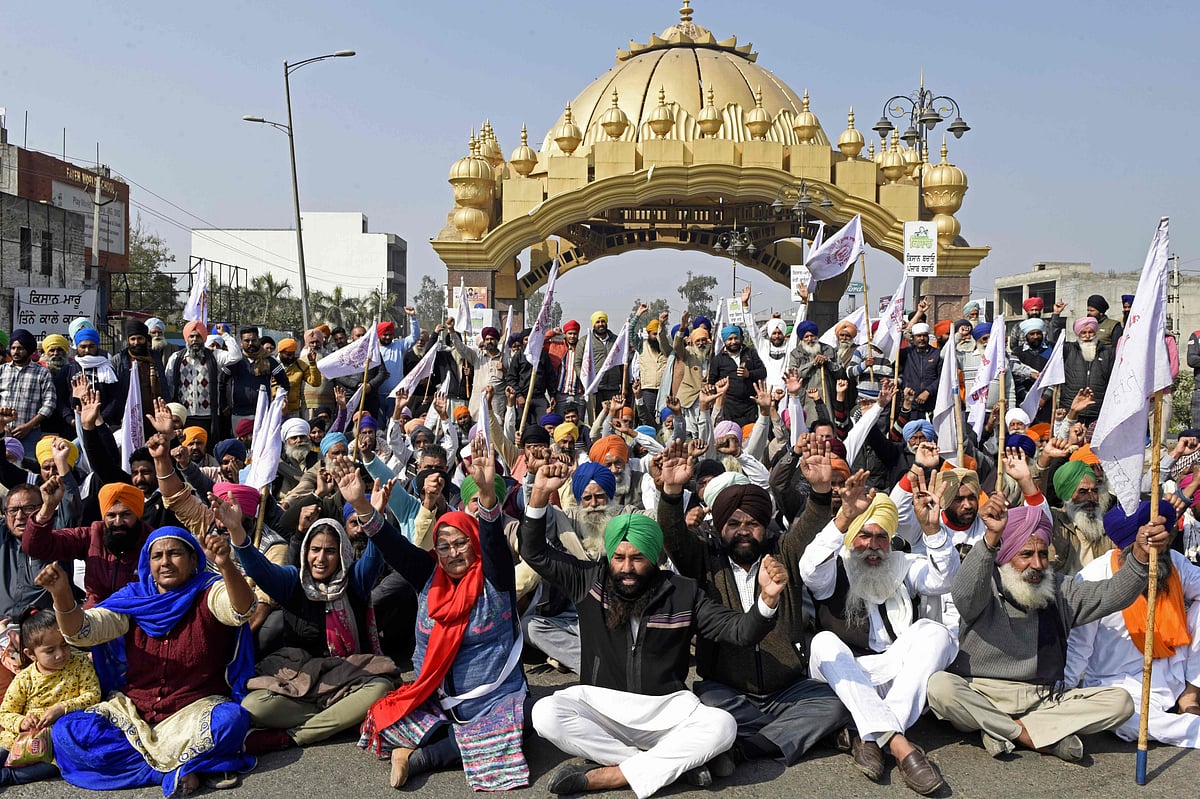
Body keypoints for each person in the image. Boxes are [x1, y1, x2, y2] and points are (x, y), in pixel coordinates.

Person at [521, 461, 785, 798]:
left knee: (722, 726)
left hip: (664, 710)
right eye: (619, 558)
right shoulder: (589, 581)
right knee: (546, 714)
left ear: (655, 558)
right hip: (603, 706)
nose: (626, 569)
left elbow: (739, 631)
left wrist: (765, 601)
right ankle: (670, 766)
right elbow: (534, 551)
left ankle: (612, 775)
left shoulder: (683, 592)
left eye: (637, 559)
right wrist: (540, 497)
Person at [926, 496, 1165, 761]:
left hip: (1042, 700)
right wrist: (990, 539)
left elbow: (1111, 595)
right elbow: (964, 595)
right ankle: (1031, 736)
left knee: (1121, 703)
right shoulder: (985, 584)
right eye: (1026, 554)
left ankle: (999, 728)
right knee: (940, 687)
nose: (1038, 565)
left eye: (1042, 554)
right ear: (1005, 555)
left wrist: (1141, 557)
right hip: (981, 693)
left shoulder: (1060, 589)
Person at [657, 439, 850, 767]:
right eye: (733, 524)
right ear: (720, 527)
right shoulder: (705, 559)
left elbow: (808, 527)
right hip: (727, 690)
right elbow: (673, 534)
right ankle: (788, 737)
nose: (743, 531)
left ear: (765, 525)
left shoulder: (784, 552)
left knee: (833, 705)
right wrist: (671, 492)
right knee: (705, 709)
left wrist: (819, 490)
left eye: (753, 524)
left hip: (786, 689)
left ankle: (747, 746)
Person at [359, 436, 528, 791]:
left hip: (493, 699)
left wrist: (486, 499)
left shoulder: (495, 579)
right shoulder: (429, 577)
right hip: (436, 696)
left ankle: (418, 758)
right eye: (444, 546)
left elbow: (495, 544)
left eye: (461, 543)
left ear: (474, 543)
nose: (452, 553)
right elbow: (397, 549)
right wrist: (362, 507)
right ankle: (437, 739)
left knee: (513, 730)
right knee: (384, 718)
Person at [43, 523, 258, 796]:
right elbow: (83, 632)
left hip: (192, 712)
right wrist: (61, 595)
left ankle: (166, 766)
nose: (165, 562)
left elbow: (241, 609)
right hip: (135, 713)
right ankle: (181, 768)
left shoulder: (209, 591)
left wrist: (226, 566)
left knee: (231, 720)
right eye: (157, 556)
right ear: (147, 562)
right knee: (67, 732)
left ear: (194, 560)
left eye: (174, 554)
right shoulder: (134, 599)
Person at [799, 471, 958, 795]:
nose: (872, 545)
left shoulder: (903, 564)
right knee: (823, 642)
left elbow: (945, 580)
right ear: (851, 537)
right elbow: (809, 567)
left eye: (881, 537)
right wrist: (844, 517)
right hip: (845, 672)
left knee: (934, 632)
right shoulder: (834, 567)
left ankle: (870, 735)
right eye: (864, 536)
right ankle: (899, 745)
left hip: (895, 676)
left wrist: (932, 531)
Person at [231, 456, 401, 749]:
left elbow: (375, 554)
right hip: (299, 679)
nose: (321, 559)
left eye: (330, 551)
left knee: (381, 687)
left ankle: (293, 736)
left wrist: (370, 512)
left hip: (348, 676)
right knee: (254, 705)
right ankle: (339, 719)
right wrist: (237, 532)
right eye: (315, 550)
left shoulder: (354, 581)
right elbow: (258, 568)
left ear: (343, 553)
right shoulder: (292, 582)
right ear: (305, 551)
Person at [1067, 501, 1200, 749]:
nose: (1162, 547)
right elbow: (1078, 647)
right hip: (1117, 685)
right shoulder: (1095, 575)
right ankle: (1192, 730)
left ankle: (1190, 696)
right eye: (1150, 542)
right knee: (1129, 719)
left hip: (1171, 674)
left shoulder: (1173, 562)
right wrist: (1062, 698)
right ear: (1130, 545)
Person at [0, 606, 101, 786]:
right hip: (20, 741)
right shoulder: (25, 678)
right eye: (50, 651)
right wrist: (21, 722)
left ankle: (7, 777)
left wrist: (62, 709)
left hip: (58, 744)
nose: (60, 654)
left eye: (64, 645)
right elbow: (5, 713)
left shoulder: (80, 665)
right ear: (31, 654)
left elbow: (92, 695)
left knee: (56, 767)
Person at [23, 477, 152, 608]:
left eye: (125, 515)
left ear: (137, 515)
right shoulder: (91, 536)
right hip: (96, 616)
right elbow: (36, 547)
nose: (118, 522)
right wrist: (48, 508)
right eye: (111, 516)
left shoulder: (154, 543)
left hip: (139, 615)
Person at [0, 329, 56, 448]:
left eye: (20, 348)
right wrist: (3, 425)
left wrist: (28, 426)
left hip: (30, 434)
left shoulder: (42, 372)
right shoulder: (2, 370)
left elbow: (49, 404)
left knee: (28, 465)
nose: (16, 352)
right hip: (2, 431)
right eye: (13, 348)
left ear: (29, 350)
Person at [709, 325, 767, 427]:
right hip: (729, 406)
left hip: (749, 404)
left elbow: (763, 372)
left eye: (736, 338)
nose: (733, 341)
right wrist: (716, 386)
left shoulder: (750, 353)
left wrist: (749, 374)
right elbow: (711, 381)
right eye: (730, 339)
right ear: (724, 341)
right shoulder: (718, 359)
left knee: (750, 436)